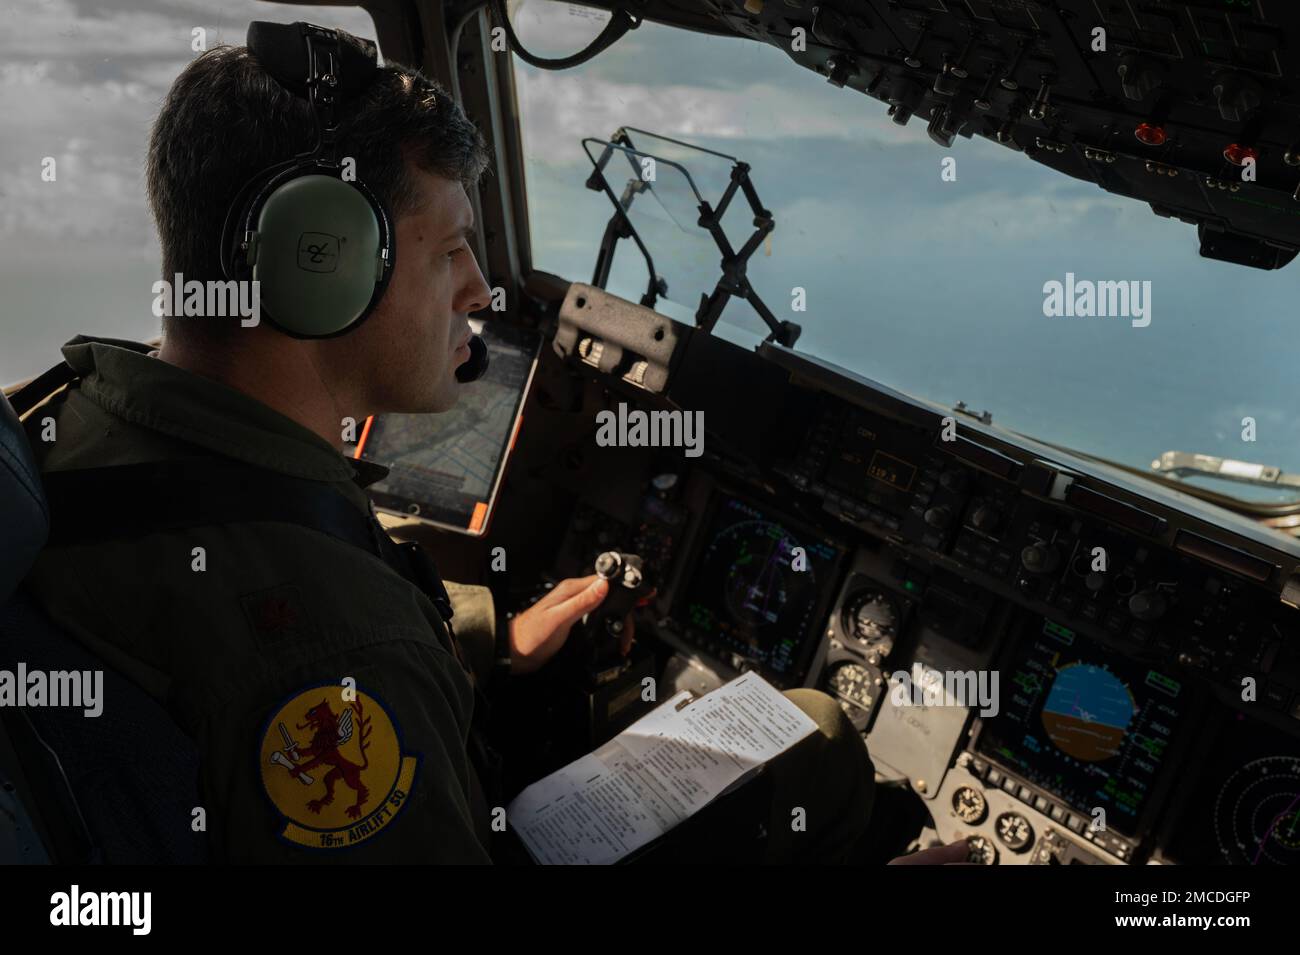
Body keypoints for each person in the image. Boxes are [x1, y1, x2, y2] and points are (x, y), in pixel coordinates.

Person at [20, 29, 882, 864]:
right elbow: (298, 640)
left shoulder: (74, 412)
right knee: (820, 735)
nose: (479, 285)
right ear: (318, 259)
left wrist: (486, 634)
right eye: (451, 247)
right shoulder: (342, 653)